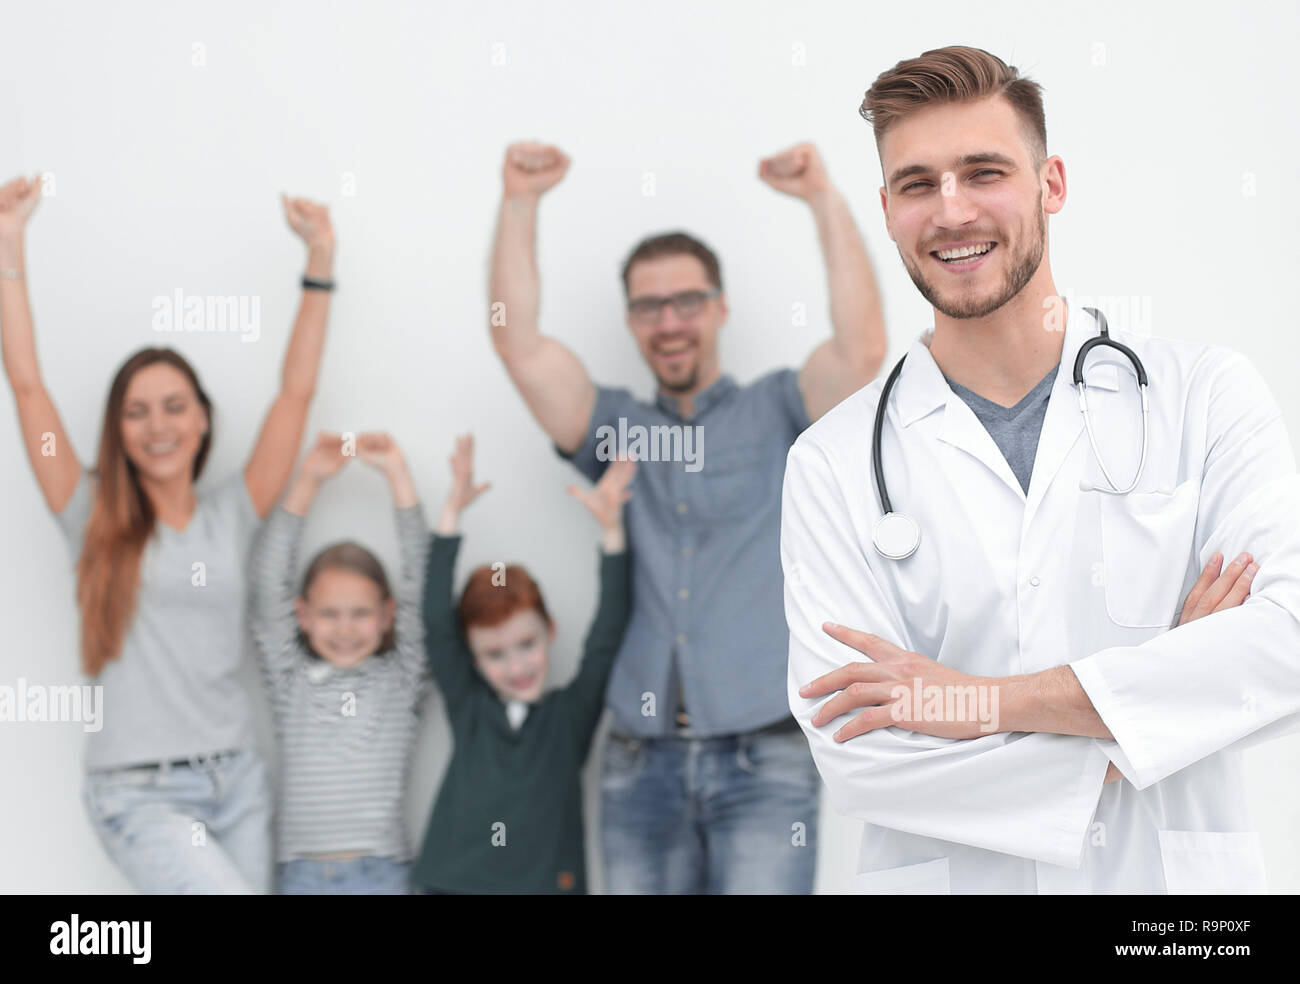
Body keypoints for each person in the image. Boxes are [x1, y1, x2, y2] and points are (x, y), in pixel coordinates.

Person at [782, 45, 1300, 893]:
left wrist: (977, 702)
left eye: (983, 171)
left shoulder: (1204, 395)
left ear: (1051, 184)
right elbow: (861, 756)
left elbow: (1284, 646)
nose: (951, 211)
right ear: (886, 209)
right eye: (917, 184)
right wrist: (1165, 701)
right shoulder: (832, 464)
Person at [487, 140, 887, 893]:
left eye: (687, 301)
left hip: (764, 761)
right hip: (639, 767)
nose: (669, 322)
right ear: (632, 321)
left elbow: (863, 348)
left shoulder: (780, 411)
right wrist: (520, 201)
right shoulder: (614, 428)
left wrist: (823, 199)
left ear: (719, 307)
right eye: (648, 306)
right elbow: (521, 347)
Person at [0, 175, 336, 893]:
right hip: (139, 793)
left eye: (174, 406)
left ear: (203, 418)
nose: (158, 426)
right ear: (117, 432)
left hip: (239, 782)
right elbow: (27, 386)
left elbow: (295, 393)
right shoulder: (86, 513)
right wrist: (9, 240)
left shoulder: (233, 511)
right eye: (137, 412)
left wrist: (320, 261)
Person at [411, 435, 632, 894]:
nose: (516, 666)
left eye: (526, 644)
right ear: (472, 658)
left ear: (550, 630)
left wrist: (612, 534)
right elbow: (434, 619)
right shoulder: (469, 706)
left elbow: (606, 637)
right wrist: (450, 515)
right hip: (453, 883)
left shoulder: (570, 716)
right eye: (494, 654)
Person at [248, 431, 431, 894]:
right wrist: (307, 481)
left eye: (360, 613)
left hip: (384, 872)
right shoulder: (292, 680)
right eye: (329, 614)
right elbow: (267, 582)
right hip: (303, 876)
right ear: (303, 616)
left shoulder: (402, 677)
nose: (345, 629)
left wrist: (398, 476)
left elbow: (423, 584)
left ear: (387, 614)